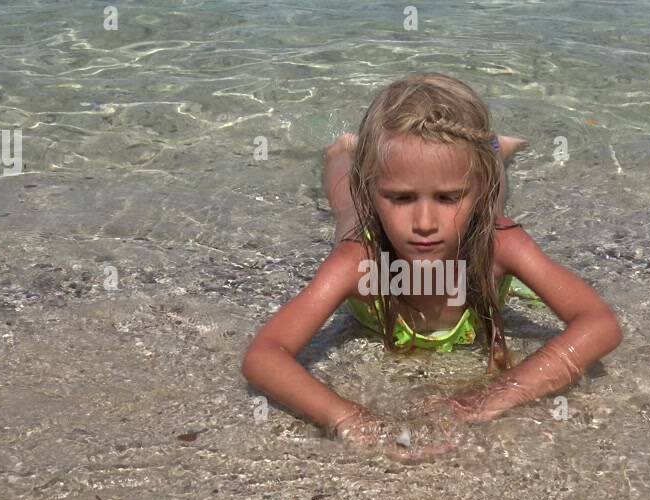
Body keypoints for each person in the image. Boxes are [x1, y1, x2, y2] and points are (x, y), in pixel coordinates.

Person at [242, 72, 622, 462]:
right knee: (346, 205)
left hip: (478, 210)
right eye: (400, 198)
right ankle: (344, 154)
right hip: (364, 215)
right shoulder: (359, 262)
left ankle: (494, 154)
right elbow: (265, 356)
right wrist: (349, 418)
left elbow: (599, 324)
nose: (424, 222)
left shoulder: (501, 245)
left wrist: (495, 395)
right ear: (374, 192)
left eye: (447, 197)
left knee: (492, 206)